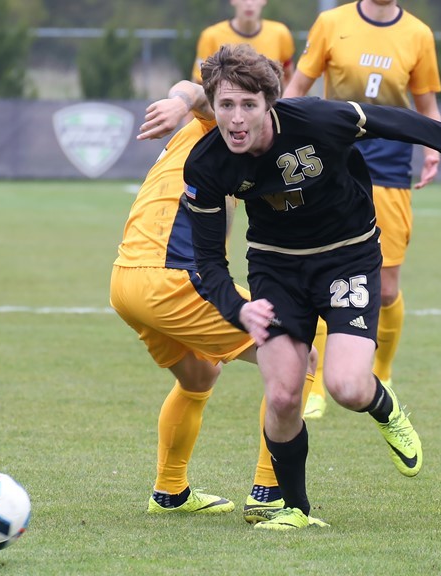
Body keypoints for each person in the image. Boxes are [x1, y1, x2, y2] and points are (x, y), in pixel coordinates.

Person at [185, 44, 441, 530]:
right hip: (277, 270)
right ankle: (295, 510)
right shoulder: (206, 165)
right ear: (212, 105)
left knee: (346, 387)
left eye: (249, 105)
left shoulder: (318, 122)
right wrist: (236, 309)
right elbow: (206, 263)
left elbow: (403, 123)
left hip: (348, 257)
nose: (237, 119)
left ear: (270, 103)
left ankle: (384, 406)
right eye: (225, 105)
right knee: (283, 396)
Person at [113, 79, 315, 524]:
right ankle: (269, 490)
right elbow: (193, 88)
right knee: (301, 347)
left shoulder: (223, 148)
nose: (239, 115)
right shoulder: (214, 126)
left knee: (200, 377)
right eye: (232, 104)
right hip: (168, 279)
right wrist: (178, 102)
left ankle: (169, 491)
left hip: (127, 280)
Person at [284, 0, 441, 417]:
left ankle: (383, 372)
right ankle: (317, 385)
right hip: (332, 159)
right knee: (321, 272)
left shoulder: (418, 34)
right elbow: (296, 89)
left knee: (387, 287)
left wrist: (433, 147)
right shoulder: (331, 23)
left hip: (390, 164)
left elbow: (426, 108)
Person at [192, 0, 295, 88]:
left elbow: (289, 77)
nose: (249, 3)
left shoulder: (280, 34)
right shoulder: (210, 37)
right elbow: (199, 83)